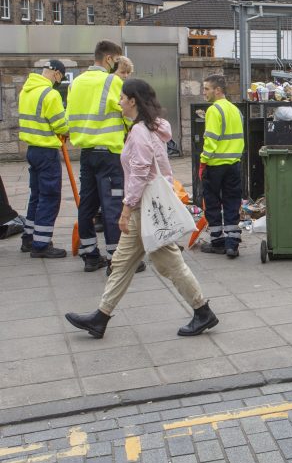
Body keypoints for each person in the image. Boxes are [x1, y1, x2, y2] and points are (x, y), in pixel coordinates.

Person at [65, 78, 219, 339]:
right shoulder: (153, 127)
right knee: (122, 263)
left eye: (123, 98)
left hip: (145, 209)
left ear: (133, 101)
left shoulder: (139, 132)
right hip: (146, 208)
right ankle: (100, 317)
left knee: (170, 264)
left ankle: (203, 311)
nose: (120, 102)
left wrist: (126, 208)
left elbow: (139, 173)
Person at [67, 40, 127, 272]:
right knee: (113, 205)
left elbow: (69, 115)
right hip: (109, 154)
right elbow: (125, 112)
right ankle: (117, 259)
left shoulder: (76, 83)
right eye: (118, 60)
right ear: (110, 59)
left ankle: (90, 255)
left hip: (87, 153)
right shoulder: (112, 81)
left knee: (88, 205)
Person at [17, 60, 69, 258]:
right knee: (49, 197)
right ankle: (41, 244)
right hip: (47, 151)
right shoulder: (50, 94)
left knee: (36, 196)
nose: (59, 81)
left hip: (32, 150)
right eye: (60, 77)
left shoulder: (26, 91)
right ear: (55, 73)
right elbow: (61, 126)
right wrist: (68, 130)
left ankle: (29, 238)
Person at [199, 74, 244, 259]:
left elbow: (210, 140)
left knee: (213, 203)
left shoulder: (213, 110)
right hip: (234, 164)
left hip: (215, 164)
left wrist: (203, 161)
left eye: (207, 89)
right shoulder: (236, 110)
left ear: (218, 90)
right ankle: (232, 244)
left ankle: (217, 242)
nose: (204, 92)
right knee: (232, 201)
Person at [93, 55, 134, 234]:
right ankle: (108, 223)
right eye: (122, 72)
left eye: (127, 73)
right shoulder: (112, 87)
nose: (124, 76)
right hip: (112, 145)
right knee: (112, 190)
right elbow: (124, 115)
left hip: (111, 144)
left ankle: (103, 217)